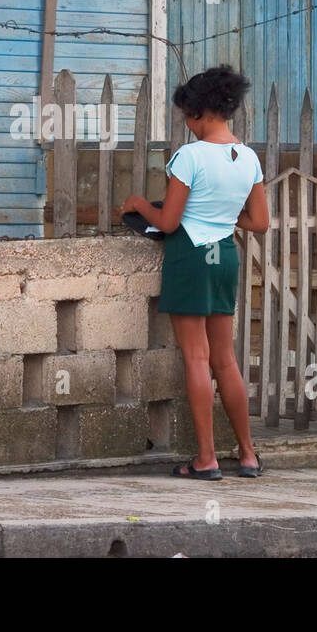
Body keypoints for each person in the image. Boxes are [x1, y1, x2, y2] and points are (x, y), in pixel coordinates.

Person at [120, 65, 269, 480]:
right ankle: (248, 455)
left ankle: (206, 459)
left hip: (190, 254)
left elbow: (168, 223)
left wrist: (137, 204)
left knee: (197, 359)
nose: (187, 123)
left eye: (188, 115)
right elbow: (259, 222)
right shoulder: (249, 157)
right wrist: (221, 213)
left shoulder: (189, 156)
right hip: (224, 255)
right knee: (227, 361)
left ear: (202, 112)